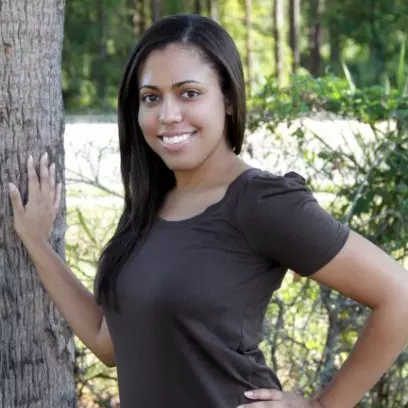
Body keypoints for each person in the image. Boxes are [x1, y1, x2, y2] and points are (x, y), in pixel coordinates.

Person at [8, 13, 408, 408]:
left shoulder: (260, 201)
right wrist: (37, 244)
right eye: (151, 97)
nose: (168, 115)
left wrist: (322, 406)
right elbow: (106, 341)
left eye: (189, 93)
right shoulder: (149, 206)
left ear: (229, 100)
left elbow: (399, 296)